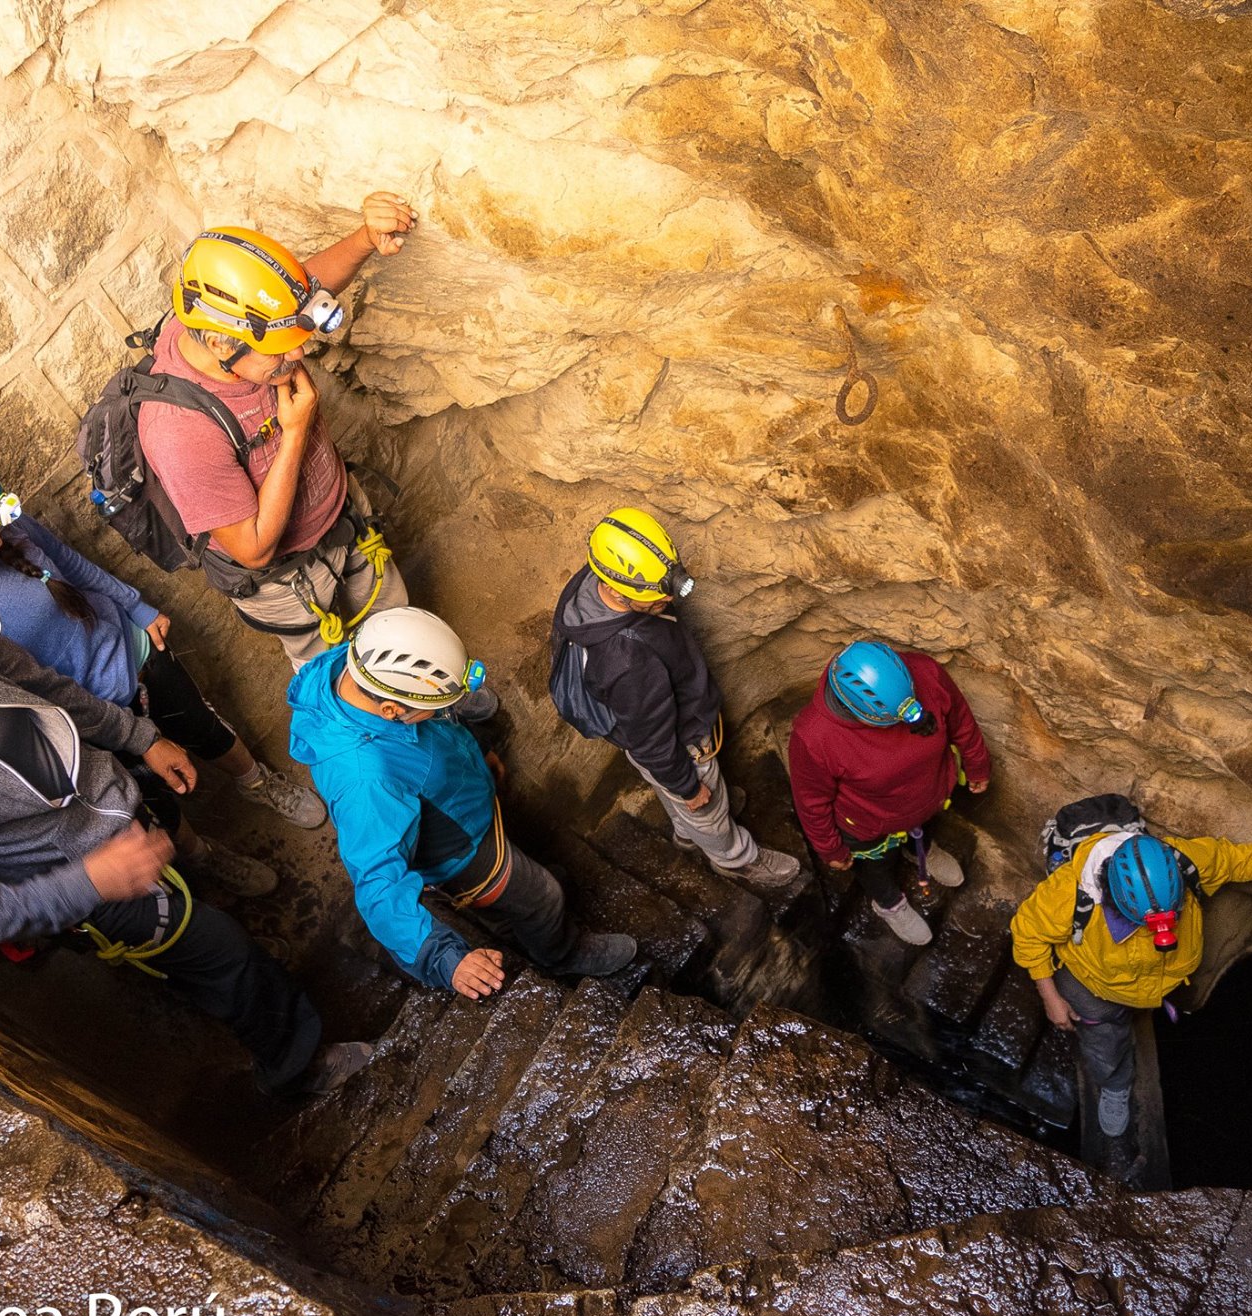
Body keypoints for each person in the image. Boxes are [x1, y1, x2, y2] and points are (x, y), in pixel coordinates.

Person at [0, 553, 370, 1096]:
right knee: (224, 954)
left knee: (204, 934)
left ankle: (213, 953)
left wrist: (141, 737)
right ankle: (297, 1065)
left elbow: (48, 688)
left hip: (108, 807)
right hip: (79, 883)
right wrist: (92, 881)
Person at [0, 436, 325, 898]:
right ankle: (203, 855)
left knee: (203, 726)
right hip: (85, 720)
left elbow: (69, 562)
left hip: (130, 657)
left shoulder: (3, 526)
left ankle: (258, 783)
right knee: (149, 796)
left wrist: (137, 609)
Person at [139, 208, 485, 723]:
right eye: (281, 346)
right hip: (286, 580)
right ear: (219, 342)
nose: (301, 349)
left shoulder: (231, 320)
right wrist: (295, 432)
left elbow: (304, 290)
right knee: (334, 675)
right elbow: (254, 548)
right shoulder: (178, 430)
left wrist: (366, 239)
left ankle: (433, 698)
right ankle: (379, 734)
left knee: (394, 624)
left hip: (342, 520)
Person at [288, 606, 635, 998]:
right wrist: (444, 958)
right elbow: (377, 887)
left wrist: (477, 750)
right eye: (432, 708)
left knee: (522, 890)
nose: (440, 712)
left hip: (460, 809)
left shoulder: (354, 667)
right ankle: (561, 953)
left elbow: (429, 734)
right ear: (391, 710)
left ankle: (512, 920)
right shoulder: (367, 780)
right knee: (545, 894)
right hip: (461, 853)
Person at [1010, 818, 1252, 1137]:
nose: (1165, 930)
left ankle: (1150, 1003)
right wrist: (1051, 997)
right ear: (1114, 898)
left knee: (1131, 1012)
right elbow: (1027, 934)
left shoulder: (1180, 861)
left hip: (1160, 981)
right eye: (1149, 921)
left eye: (1172, 914)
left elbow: (1230, 860)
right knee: (1105, 1043)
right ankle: (1114, 1085)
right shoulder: (1068, 895)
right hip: (1095, 989)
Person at [549, 508, 799, 887]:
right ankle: (735, 858)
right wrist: (689, 787)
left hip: (650, 735)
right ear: (616, 590)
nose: (667, 598)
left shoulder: (594, 580)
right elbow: (653, 744)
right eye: (655, 596)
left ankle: (686, 832)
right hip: (678, 749)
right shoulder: (628, 662)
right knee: (706, 807)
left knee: (679, 795)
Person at [787, 641, 992, 946]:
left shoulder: (925, 673)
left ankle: (921, 852)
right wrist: (830, 849)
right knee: (876, 866)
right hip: (868, 824)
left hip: (928, 795)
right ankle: (889, 904)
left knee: (925, 826)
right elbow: (811, 802)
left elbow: (961, 719)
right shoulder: (815, 737)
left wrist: (977, 764)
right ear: (862, 714)